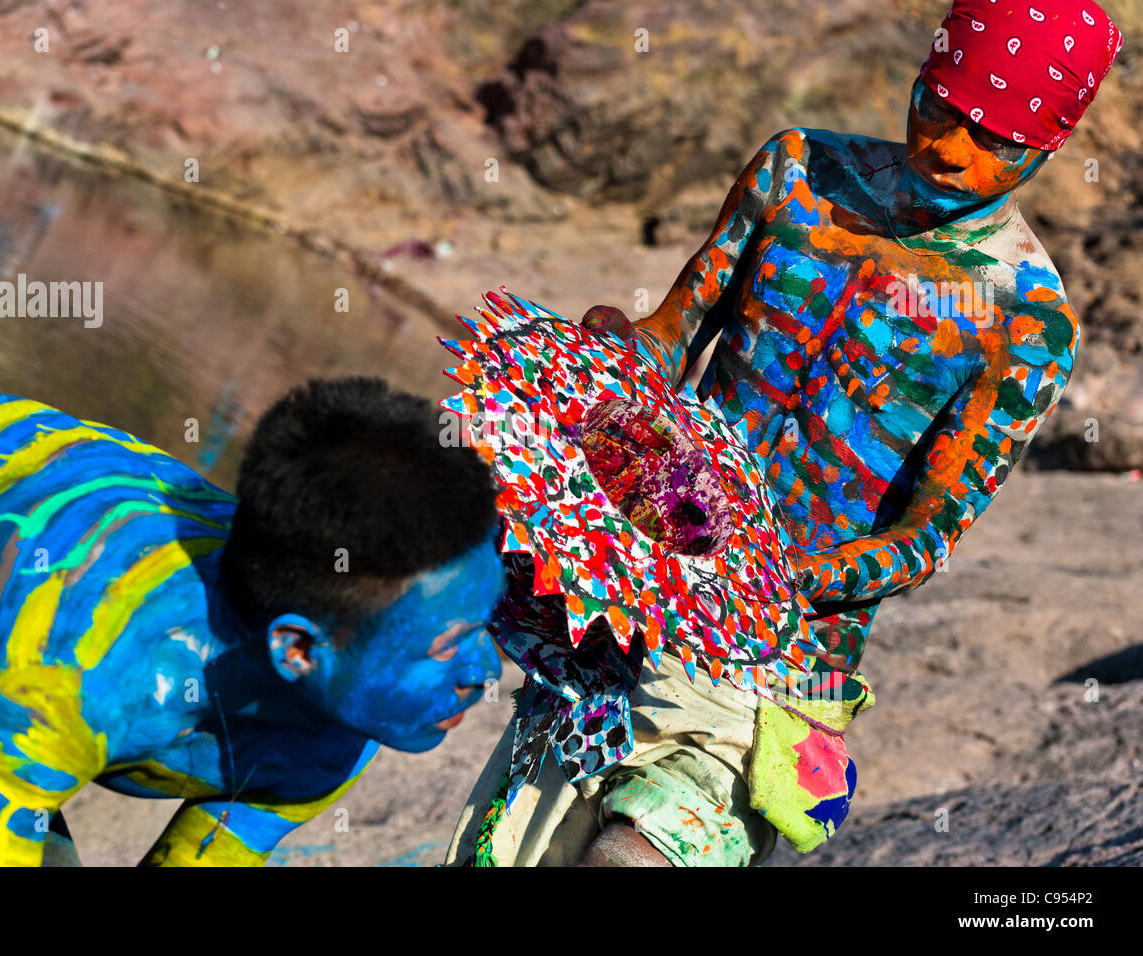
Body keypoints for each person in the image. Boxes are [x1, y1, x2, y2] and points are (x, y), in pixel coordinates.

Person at [448, 0, 1124, 866]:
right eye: (939, 107)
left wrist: (772, 578)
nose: (949, 146)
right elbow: (671, 337)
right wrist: (609, 351)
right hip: (633, 594)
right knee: (508, 855)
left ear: (1050, 144)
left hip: (790, 662)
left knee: (639, 856)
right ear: (920, 79)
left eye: (991, 138)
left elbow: (924, 540)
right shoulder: (796, 172)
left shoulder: (1025, 320)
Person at [0, 378, 504, 866]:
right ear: (299, 648)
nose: (488, 672)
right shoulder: (78, 665)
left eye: (485, 625)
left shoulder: (336, 734)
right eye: (450, 646)